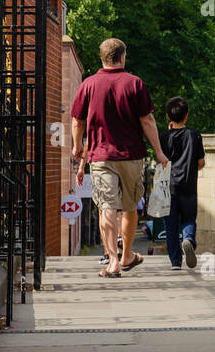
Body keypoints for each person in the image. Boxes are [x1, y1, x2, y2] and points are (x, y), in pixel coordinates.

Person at [71, 37, 168, 278]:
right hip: (132, 156)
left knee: (107, 207)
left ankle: (113, 260)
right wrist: (158, 151)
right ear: (123, 57)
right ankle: (127, 255)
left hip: (101, 156)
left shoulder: (88, 85)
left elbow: (78, 121)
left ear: (102, 58)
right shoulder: (135, 83)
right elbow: (147, 120)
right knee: (129, 208)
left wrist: (76, 147)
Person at [159, 96, 205, 270]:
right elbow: (201, 162)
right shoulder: (194, 135)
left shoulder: (163, 137)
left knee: (170, 226)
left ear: (167, 116)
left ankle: (175, 262)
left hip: (167, 187)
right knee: (188, 218)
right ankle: (188, 239)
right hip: (188, 185)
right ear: (187, 115)